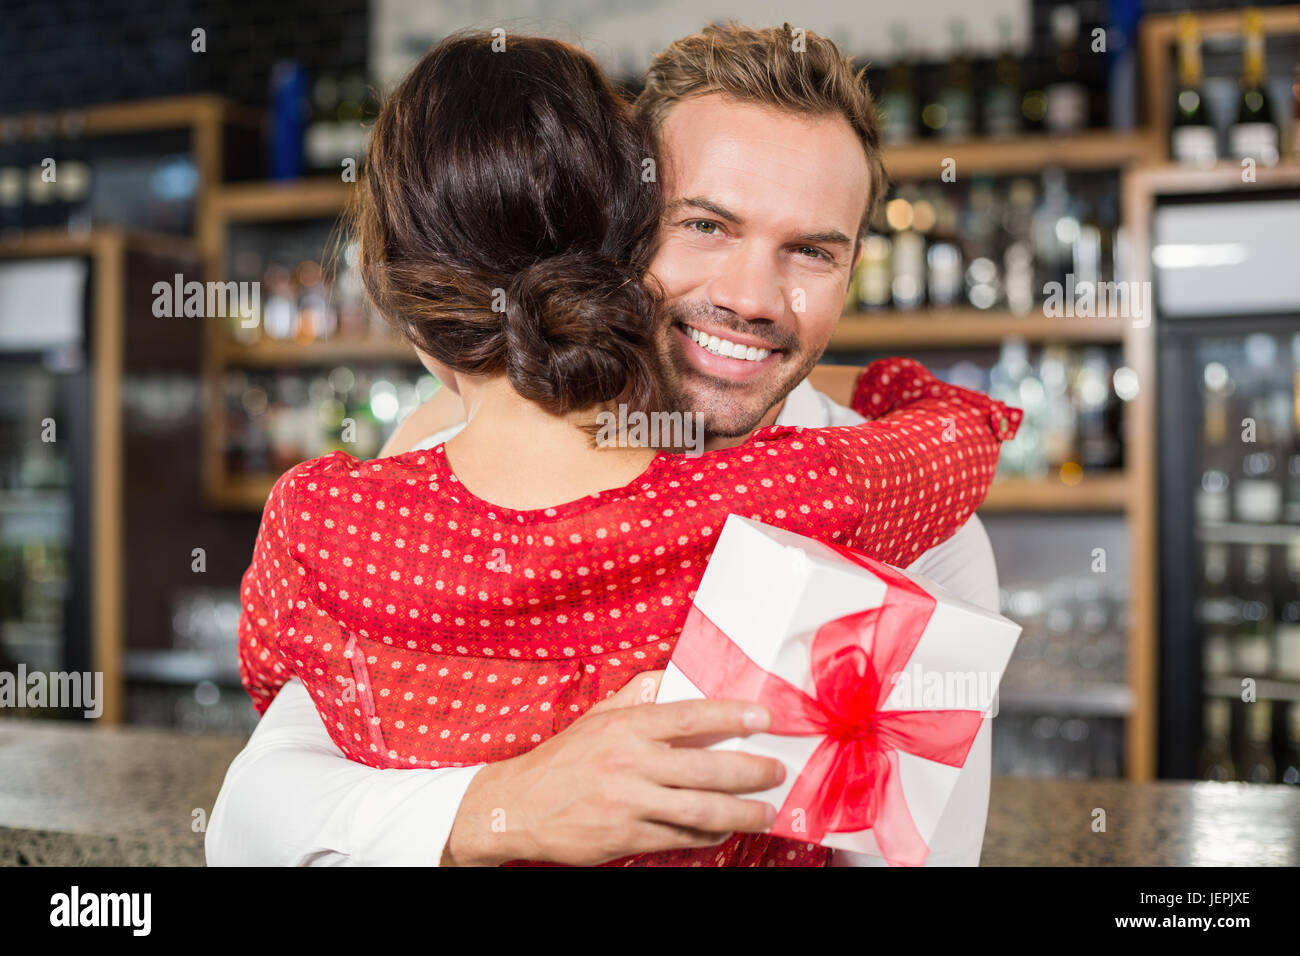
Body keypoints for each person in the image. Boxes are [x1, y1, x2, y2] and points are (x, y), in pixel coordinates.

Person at [208, 26, 1019, 868]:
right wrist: (503, 806)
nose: (751, 297)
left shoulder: (932, 540)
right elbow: (250, 823)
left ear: (851, 271)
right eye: (704, 225)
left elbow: (917, 858)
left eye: (812, 251)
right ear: (611, 225)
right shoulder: (432, 453)